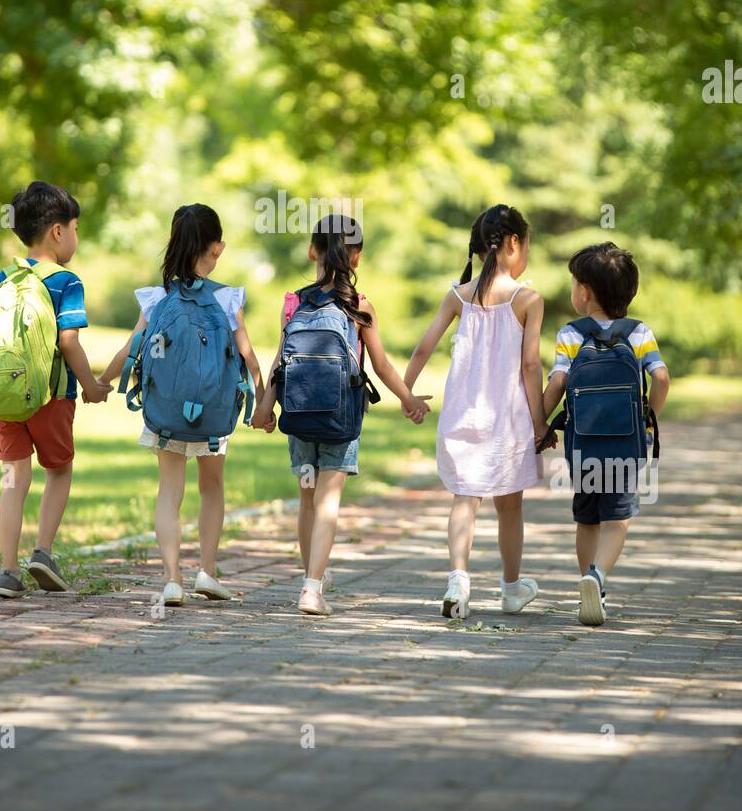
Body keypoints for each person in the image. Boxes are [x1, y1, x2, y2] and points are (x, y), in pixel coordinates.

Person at [252, 214, 429, 617]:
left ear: (312, 250)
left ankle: (310, 575)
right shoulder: (358, 305)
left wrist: (265, 406)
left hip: (297, 413)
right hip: (341, 416)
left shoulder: (293, 302)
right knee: (329, 500)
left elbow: (282, 361)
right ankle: (313, 588)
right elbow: (381, 365)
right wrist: (408, 398)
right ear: (357, 256)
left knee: (307, 499)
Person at [98, 204, 265, 607]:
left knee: (169, 491)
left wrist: (101, 382)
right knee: (212, 487)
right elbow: (248, 358)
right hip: (213, 414)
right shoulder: (227, 299)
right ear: (217, 248)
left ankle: (172, 579)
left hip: (166, 414)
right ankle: (207, 572)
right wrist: (262, 403)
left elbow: (131, 348)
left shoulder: (157, 298)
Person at [0, 181, 110, 598]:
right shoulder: (66, 281)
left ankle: (7, 571)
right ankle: (43, 551)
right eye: (76, 227)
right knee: (59, 469)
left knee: (12, 479)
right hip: (51, 397)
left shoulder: (2, 277)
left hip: (6, 401)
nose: (76, 237)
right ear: (58, 232)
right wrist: (92, 386)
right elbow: (68, 342)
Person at [404, 204, 547, 620]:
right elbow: (531, 366)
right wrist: (539, 421)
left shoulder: (457, 296)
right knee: (510, 506)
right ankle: (511, 588)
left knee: (465, 499)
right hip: (508, 420)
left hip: (463, 416)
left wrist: (407, 392)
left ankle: (458, 581)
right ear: (514, 243)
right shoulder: (527, 299)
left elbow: (423, 347)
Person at [543, 242, 670, 625]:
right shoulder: (639, 332)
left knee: (587, 519)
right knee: (617, 521)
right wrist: (647, 419)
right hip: (624, 444)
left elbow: (558, 384)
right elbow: (661, 378)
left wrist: (539, 425)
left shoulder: (570, 333)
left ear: (583, 292)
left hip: (583, 443)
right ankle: (597, 577)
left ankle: (588, 582)